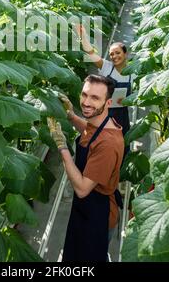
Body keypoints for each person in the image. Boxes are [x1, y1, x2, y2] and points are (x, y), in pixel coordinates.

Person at [47, 75, 124, 262]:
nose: (87, 102)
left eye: (95, 98)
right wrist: (71, 116)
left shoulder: (108, 144)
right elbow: (90, 133)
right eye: (84, 95)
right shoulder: (103, 122)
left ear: (108, 102)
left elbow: (82, 189)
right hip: (87, 208)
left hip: (98, 214)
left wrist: (62, 146)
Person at [76, 24, 135, 137]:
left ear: (125, 54)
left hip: (122, 115)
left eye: (118, 53)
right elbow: (91, 53)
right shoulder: (106, 66)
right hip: (104, 113)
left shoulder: (133, 73)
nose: (114, 56)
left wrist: (127, 100)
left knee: (122, 140)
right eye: (111, 54)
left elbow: (136, 96)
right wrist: (83, 37)